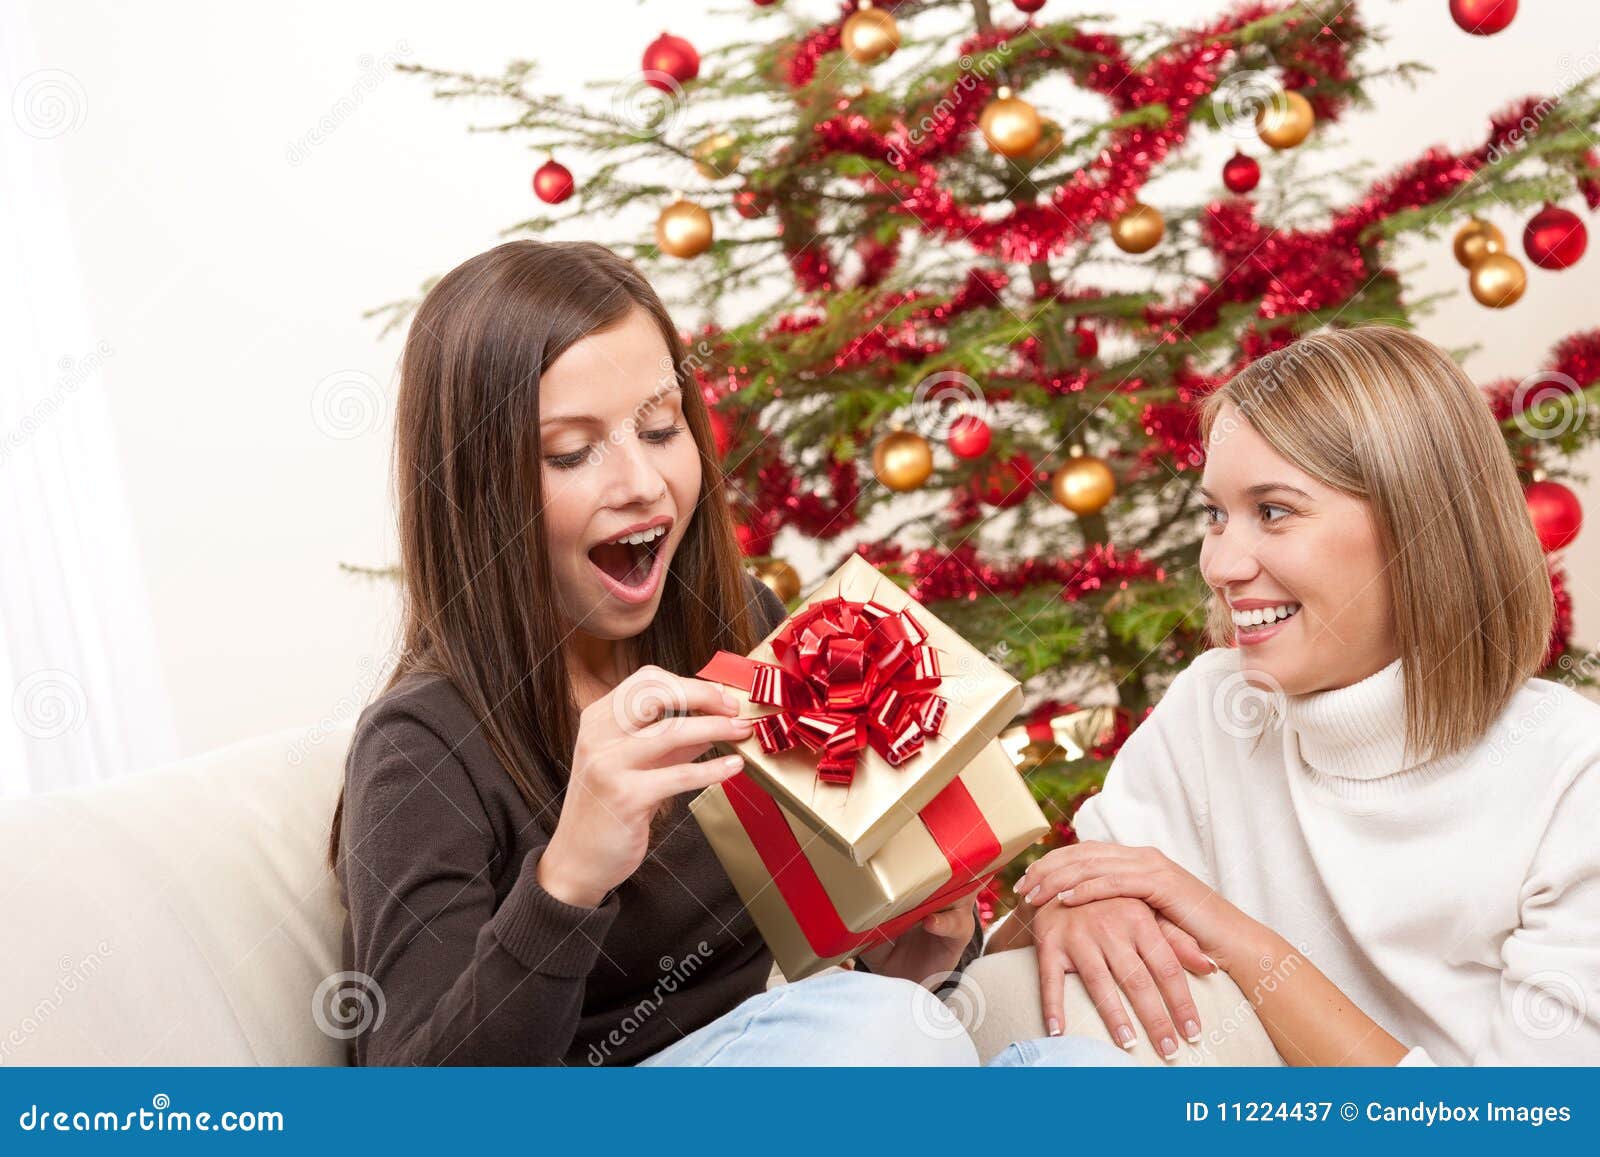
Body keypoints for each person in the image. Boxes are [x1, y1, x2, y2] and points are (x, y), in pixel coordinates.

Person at [326, 239, 1130, 1067]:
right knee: (870, 1030)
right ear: (477, 493)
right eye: (571, 451)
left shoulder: (737, 625)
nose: (642, 481)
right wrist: (567, 879)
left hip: (808, 1064)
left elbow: (834, 962)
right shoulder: (420, 750)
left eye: (660, 426)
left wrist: (914, 952)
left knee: (1087, 1073)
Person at [1000, 325, 1600, 1065]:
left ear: (1420, 527)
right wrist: (1072, 902)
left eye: (1274, 511)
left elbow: (1536, 1132)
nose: (1220, 563)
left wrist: (1223, 926)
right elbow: (1029, 942)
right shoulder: (1214, 706)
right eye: (1214, 515)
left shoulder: (1574, 778)